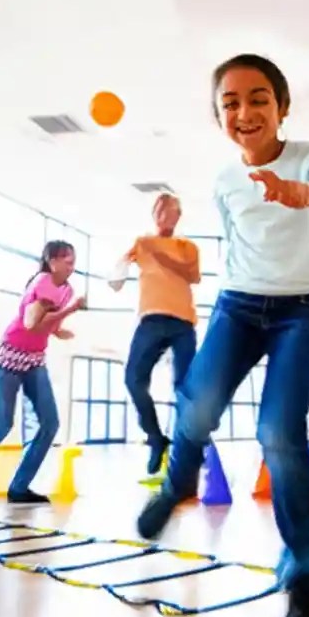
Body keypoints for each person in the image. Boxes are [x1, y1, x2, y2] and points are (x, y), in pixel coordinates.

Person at [136, 53, 309, 617]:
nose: (245, 111)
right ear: (219, 119)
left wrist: (304, 194)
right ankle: (178, 479)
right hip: (239, 304)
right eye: (230, 103)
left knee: (278, 433)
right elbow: (239, 244)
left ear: (281, 108)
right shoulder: (223, 181)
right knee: (197, 402)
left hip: (305, 310)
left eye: (258, 98)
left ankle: (306, 579)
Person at [0, 241, 84, 504]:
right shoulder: (41, 282)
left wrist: (60, 329)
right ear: (51, 261)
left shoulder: (67, 290)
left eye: (74, 261)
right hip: (10, 356)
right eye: (67, 260)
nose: (72, 266)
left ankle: (19, 487)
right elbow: (30, 325)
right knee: (4, 422)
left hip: (34, 359)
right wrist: (71, 309)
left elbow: (49, 325)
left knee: (50, 424)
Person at [110, 193, 200, 474]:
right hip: (150, 320)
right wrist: (120, 269)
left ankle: (191, 446)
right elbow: (116, 279)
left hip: (182, 323)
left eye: (171, 212)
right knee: (133, 379)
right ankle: (155, 437)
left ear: (178, 216)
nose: (165, 217)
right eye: (160, 211)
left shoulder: (187, 246)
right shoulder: (143, 243)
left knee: (185, 387)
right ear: (154, 214)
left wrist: (162, 256)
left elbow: (193, 275)